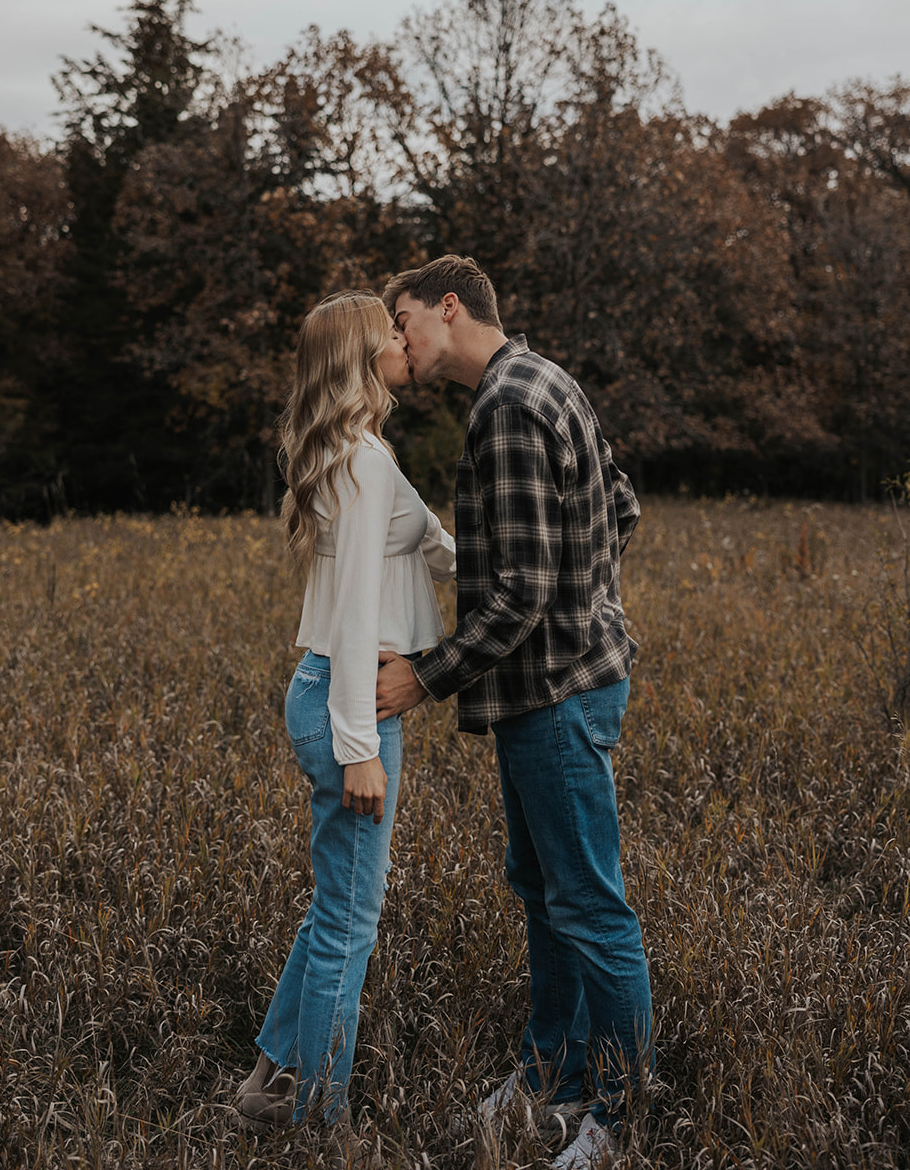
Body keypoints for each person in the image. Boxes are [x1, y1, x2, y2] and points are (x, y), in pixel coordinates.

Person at [375, 256, 651, 1170]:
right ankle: (552, 1071)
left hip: (555, 693)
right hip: (557, 681)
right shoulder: (542, 379)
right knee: (544, 890)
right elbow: (619, 503)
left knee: (586, 903)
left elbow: (521, 590)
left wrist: (423, 676)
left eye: (402, 318)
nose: (395, 339)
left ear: (448, 307)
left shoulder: (506, 405)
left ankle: (619, 1113)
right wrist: (586, 597)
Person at [235, 290, 456, 1155]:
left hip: (327, 686)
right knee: (350, 921)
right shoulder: (361, 459)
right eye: (390, 333)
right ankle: (321, 1121)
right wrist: (360, 746)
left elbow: (433, 543)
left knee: (336, 905)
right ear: (363, 355)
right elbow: (360, 604)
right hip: (348, 694)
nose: (405, 341)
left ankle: (265, 1081)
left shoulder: (355, 450)